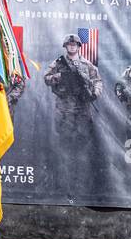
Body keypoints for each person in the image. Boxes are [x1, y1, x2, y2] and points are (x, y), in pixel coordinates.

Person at [43, 33, 103, 168]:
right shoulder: (59, 63)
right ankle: (64, 170)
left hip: (83, 108)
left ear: (78, 46)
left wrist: (94, 93)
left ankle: (82, 171)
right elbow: (47, 78)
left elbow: (98, 81)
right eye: (69, 45)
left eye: (74, 44)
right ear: (65, 46)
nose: (71, 47)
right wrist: (60, 77)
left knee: (84, 141)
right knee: (64, 141)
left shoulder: (87, 64)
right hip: (64, 108)